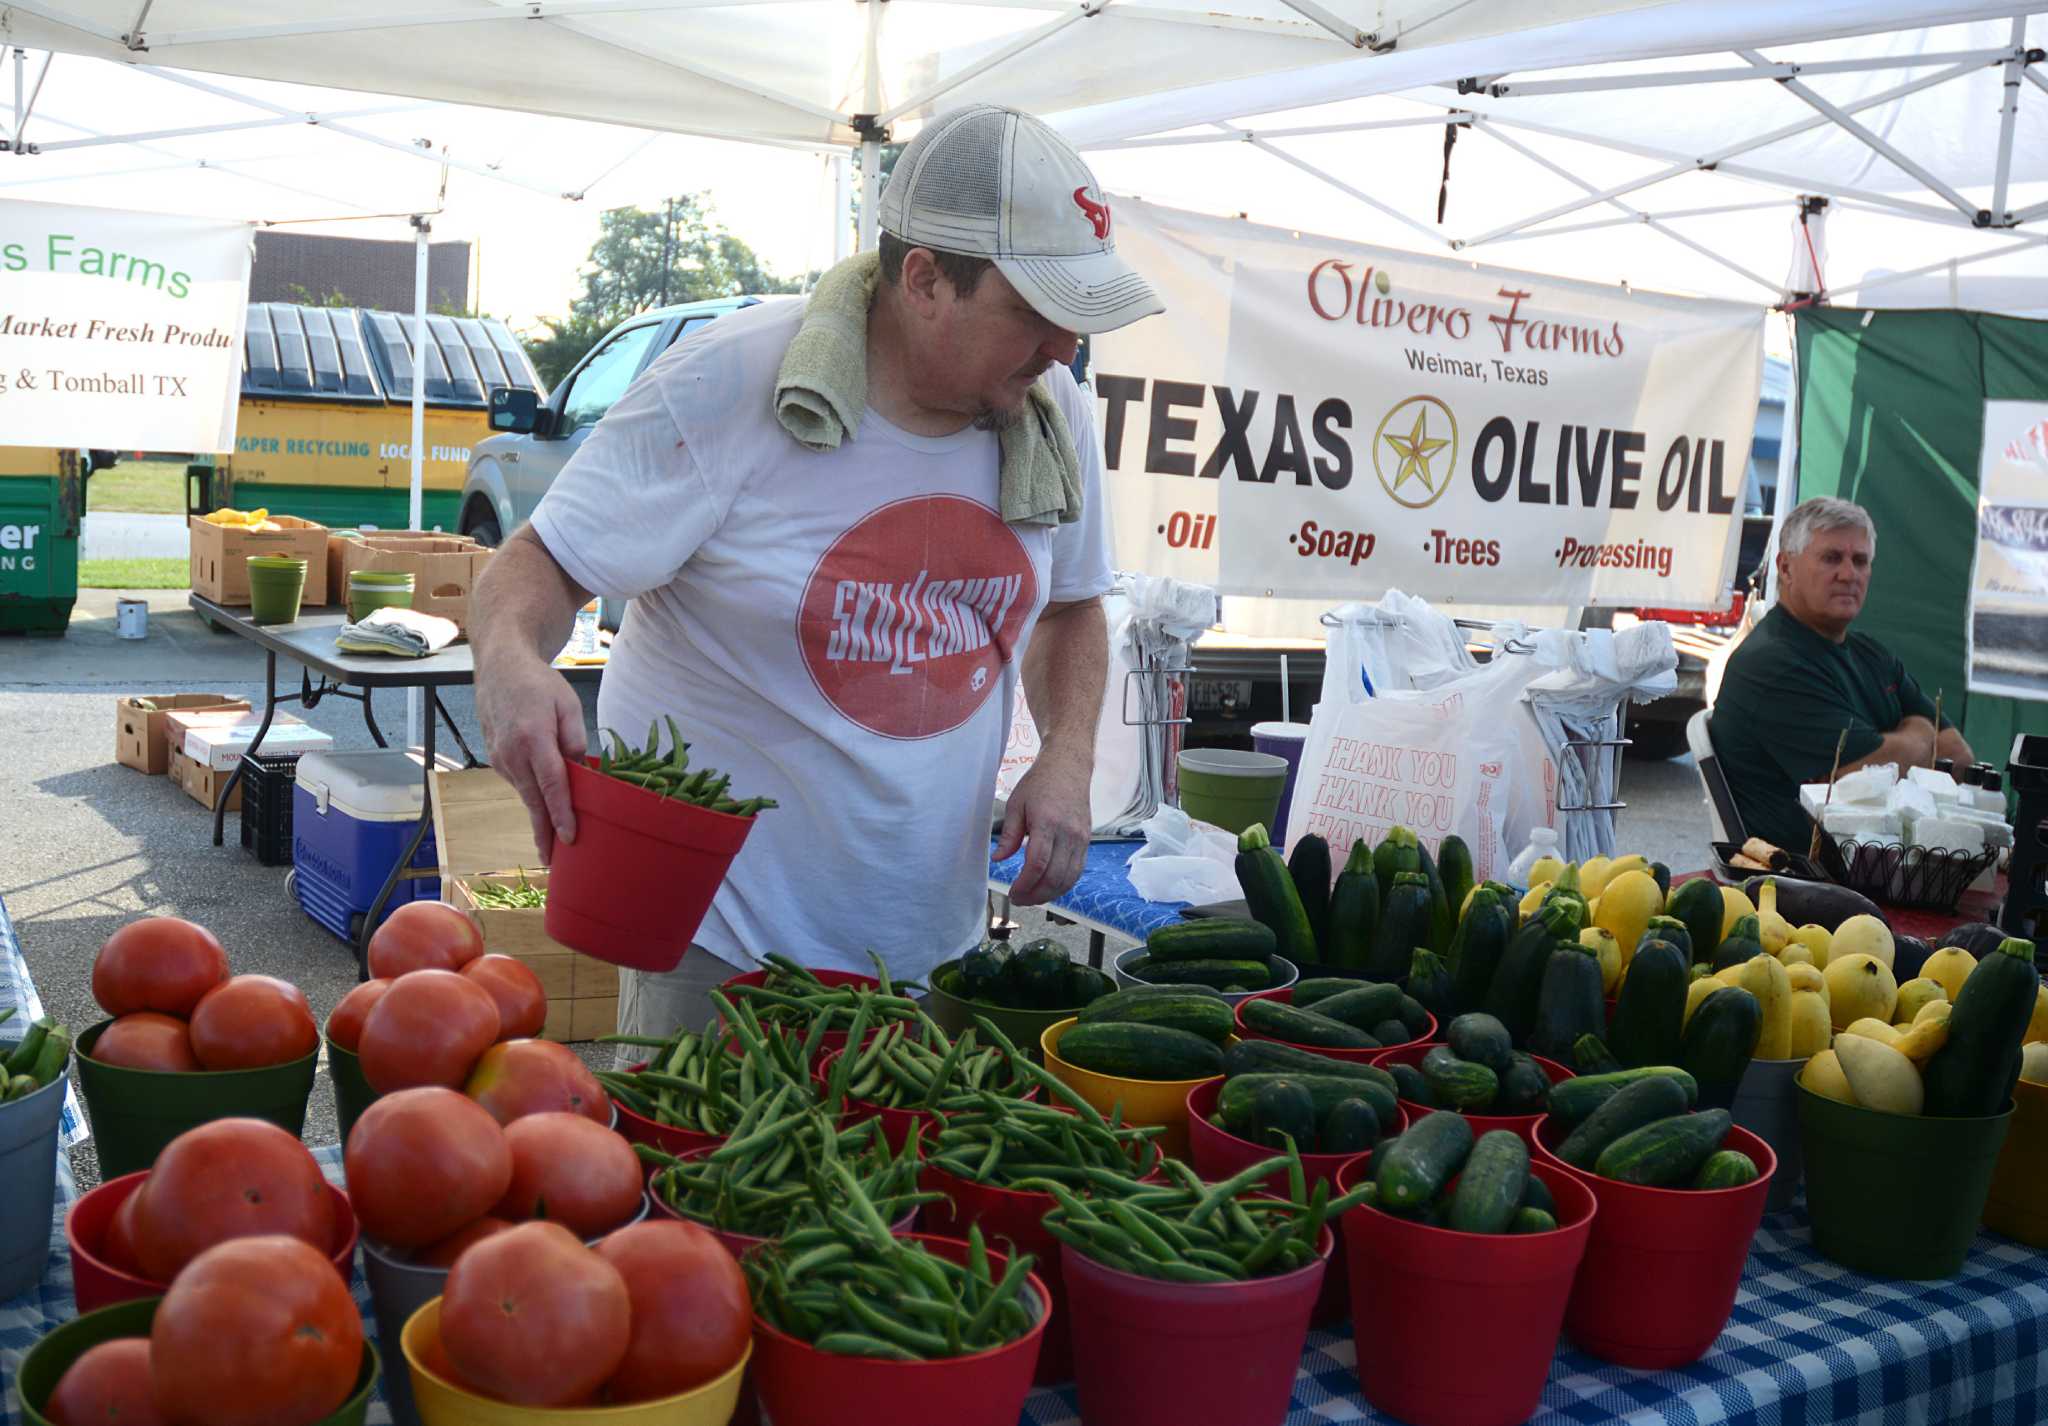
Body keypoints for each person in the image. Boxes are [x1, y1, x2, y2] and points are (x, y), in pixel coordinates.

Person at [469, 103, 1165, 1040]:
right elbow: (539, 565)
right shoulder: (725, 385)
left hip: (930, 952)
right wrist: (510, 659)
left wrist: (1069, 754)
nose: (1065, 347)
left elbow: (1071, 608)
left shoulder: (1049, 408)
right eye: (1036, 313)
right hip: (718, 950)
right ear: (924, 279)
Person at [1711, 495, 1973, 850]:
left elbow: (1959, 757)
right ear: (1785, 568)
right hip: (1806, 883)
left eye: (1860, 560)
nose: (1849, 574)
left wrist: (1893, 753)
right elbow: (1856, 783)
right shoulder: (1771, 664)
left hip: (1884, 867)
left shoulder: (1873, 655)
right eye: (1832, 558)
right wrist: (1921, 732)